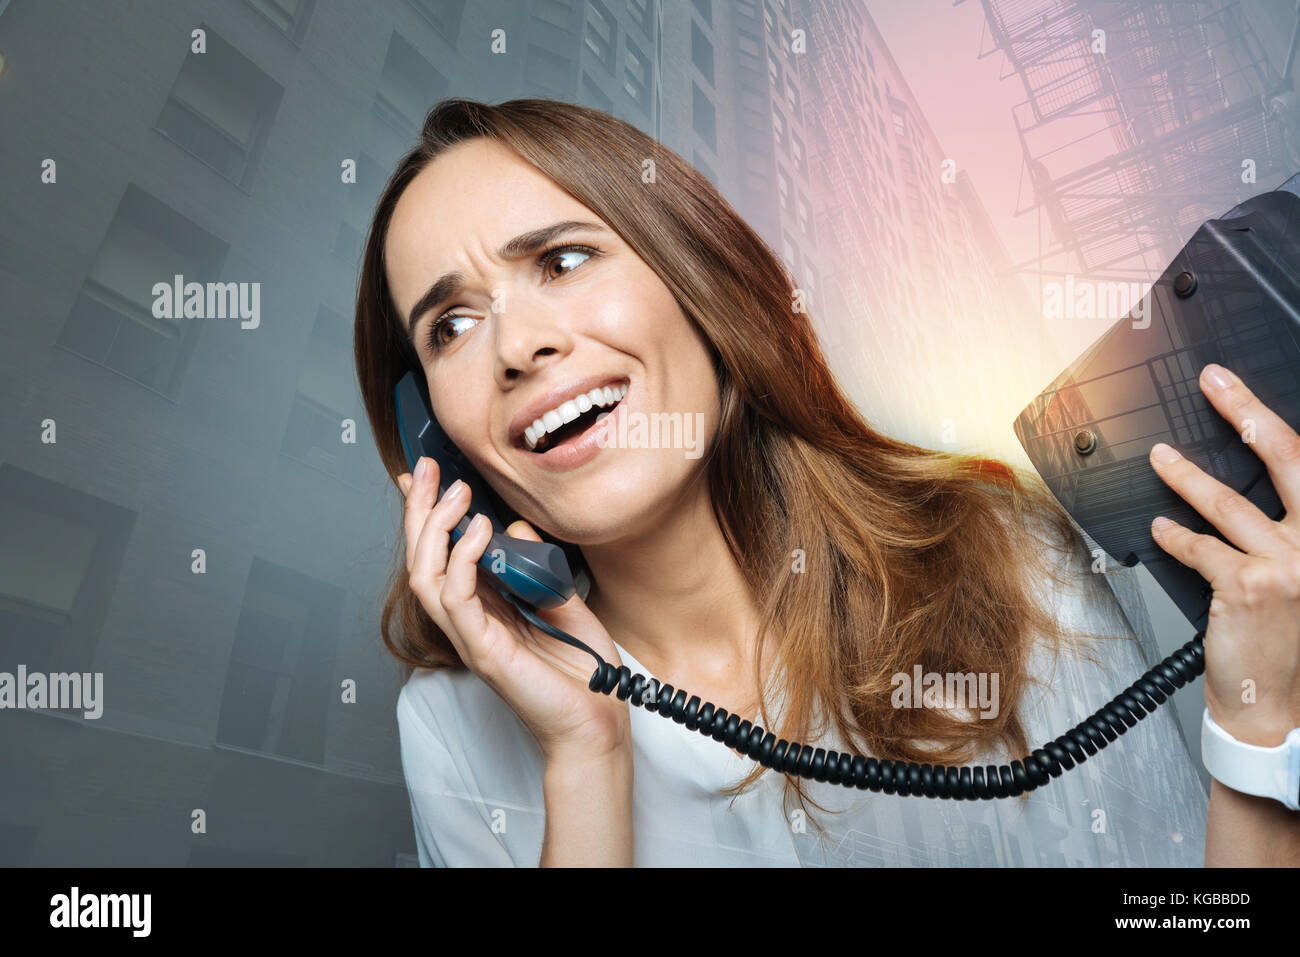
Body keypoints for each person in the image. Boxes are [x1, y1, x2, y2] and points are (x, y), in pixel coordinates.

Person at [353, 98, 1300, 867]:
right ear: (433, 434)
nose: (518, 347)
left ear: (696, 279)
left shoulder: (1004, 554)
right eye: (451, 326)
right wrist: (584, 758)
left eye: (562, 260)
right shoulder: (455, 729)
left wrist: (1261, 719)